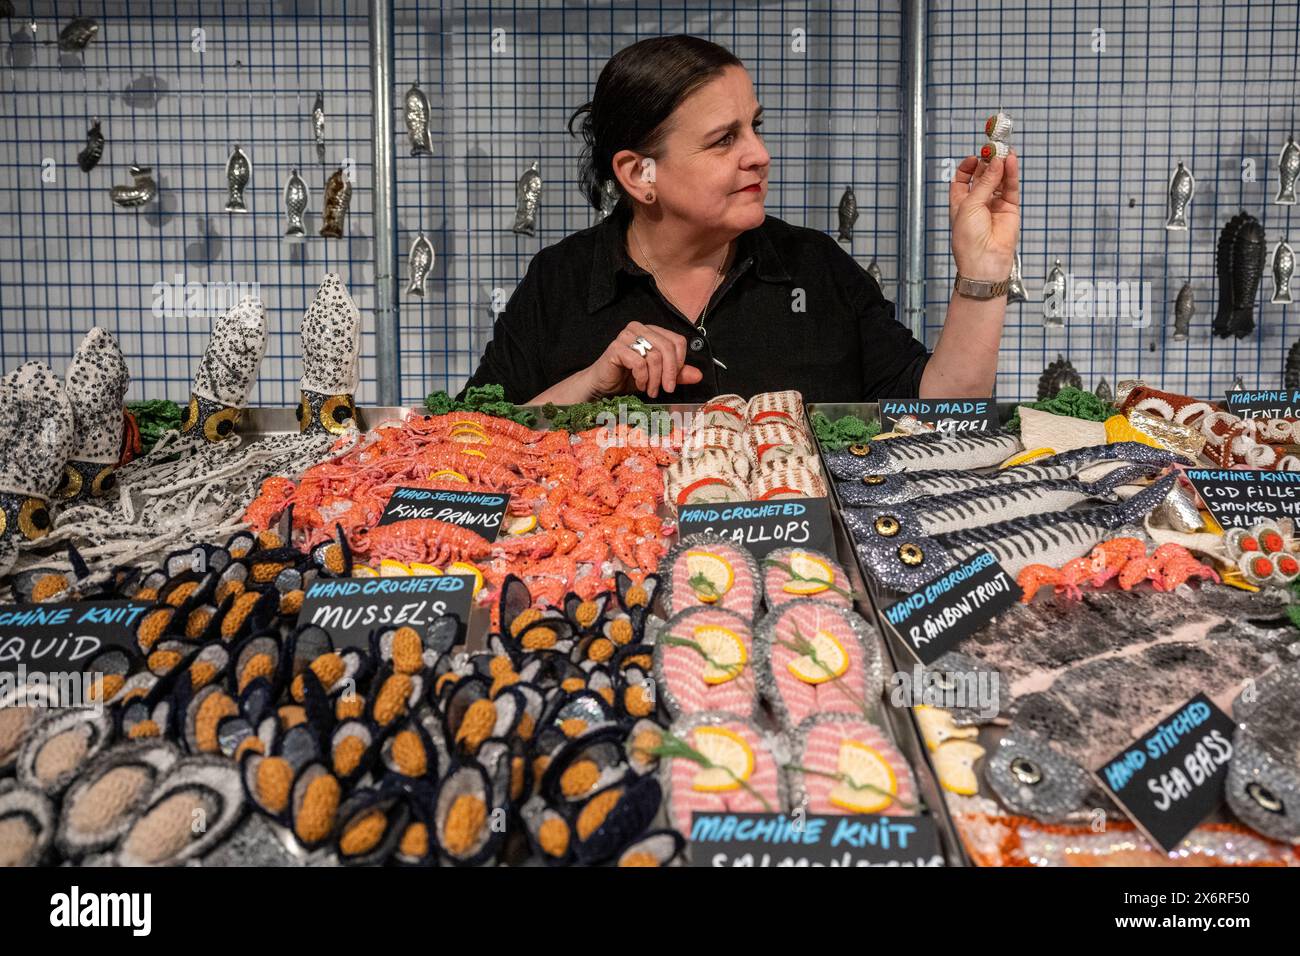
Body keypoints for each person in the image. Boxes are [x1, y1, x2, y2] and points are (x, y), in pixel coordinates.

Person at [458, 35, 1019, 405]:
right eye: (724, 139)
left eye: (755, 126)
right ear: (639, 175)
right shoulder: (559, 282)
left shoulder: (816, 267)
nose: (759, 154)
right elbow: (464, 446)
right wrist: (590, 382)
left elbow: (943, 411)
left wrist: (983, 272)